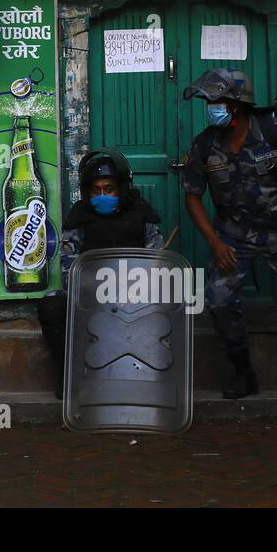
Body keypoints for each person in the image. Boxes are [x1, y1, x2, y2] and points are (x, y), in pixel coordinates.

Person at [180, 68, 277, 403]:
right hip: (234, 237)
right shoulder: (205, 144)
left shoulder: (273, 132)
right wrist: (215, 242)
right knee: (219, 302)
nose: (210, 107)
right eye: (209, 102)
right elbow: (192, 196)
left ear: (236, 103)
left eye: (216, 101)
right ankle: (242, 373)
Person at [36, 149, 163, 399]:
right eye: (96, 190)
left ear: (123, 188)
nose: (102, 195)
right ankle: (70, 376)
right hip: (90, 295)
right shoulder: (79, 216)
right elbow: (68, 265)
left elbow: (156, 261)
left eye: (109, 189)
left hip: (136, 296)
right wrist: (90, 290)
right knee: (51, 306)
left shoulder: (142, 214)